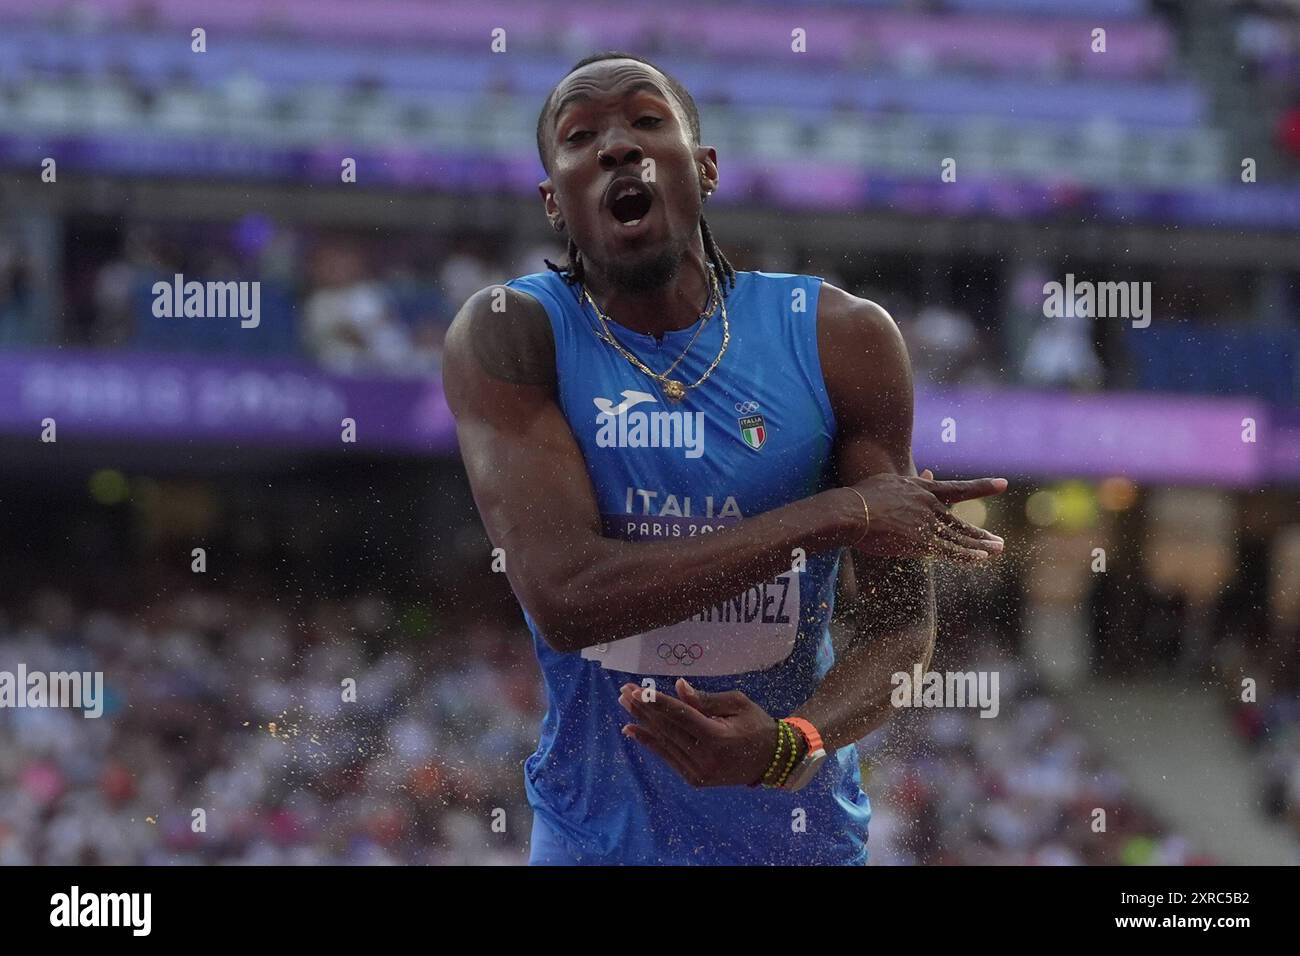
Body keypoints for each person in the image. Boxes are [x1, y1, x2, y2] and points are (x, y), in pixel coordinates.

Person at [442, 51, 1008, 865]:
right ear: (553, 200)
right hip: (597, 843)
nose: (616, 147)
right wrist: (834, 515)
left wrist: (790, 743)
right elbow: (569, 599)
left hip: (800, 844)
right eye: (579, 136)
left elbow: (898, 630)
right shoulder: (510, 333)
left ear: (703, 169)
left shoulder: (840, 339)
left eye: (646, 120)